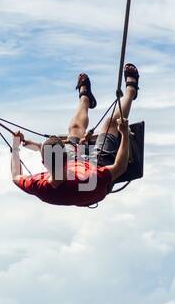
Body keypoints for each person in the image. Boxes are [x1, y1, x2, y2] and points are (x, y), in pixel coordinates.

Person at [12, 63, 139, 207]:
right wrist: (124, 133)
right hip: (95, 169)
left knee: (75, 128)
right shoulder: (91, 179)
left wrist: (16, 146)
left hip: (77, 167)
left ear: (44, 163)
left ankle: (85, 99)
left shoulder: (39, 185)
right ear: (66, 156)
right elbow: (120, 167)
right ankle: (131, 91)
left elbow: (16, 176)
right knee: (111, 122)